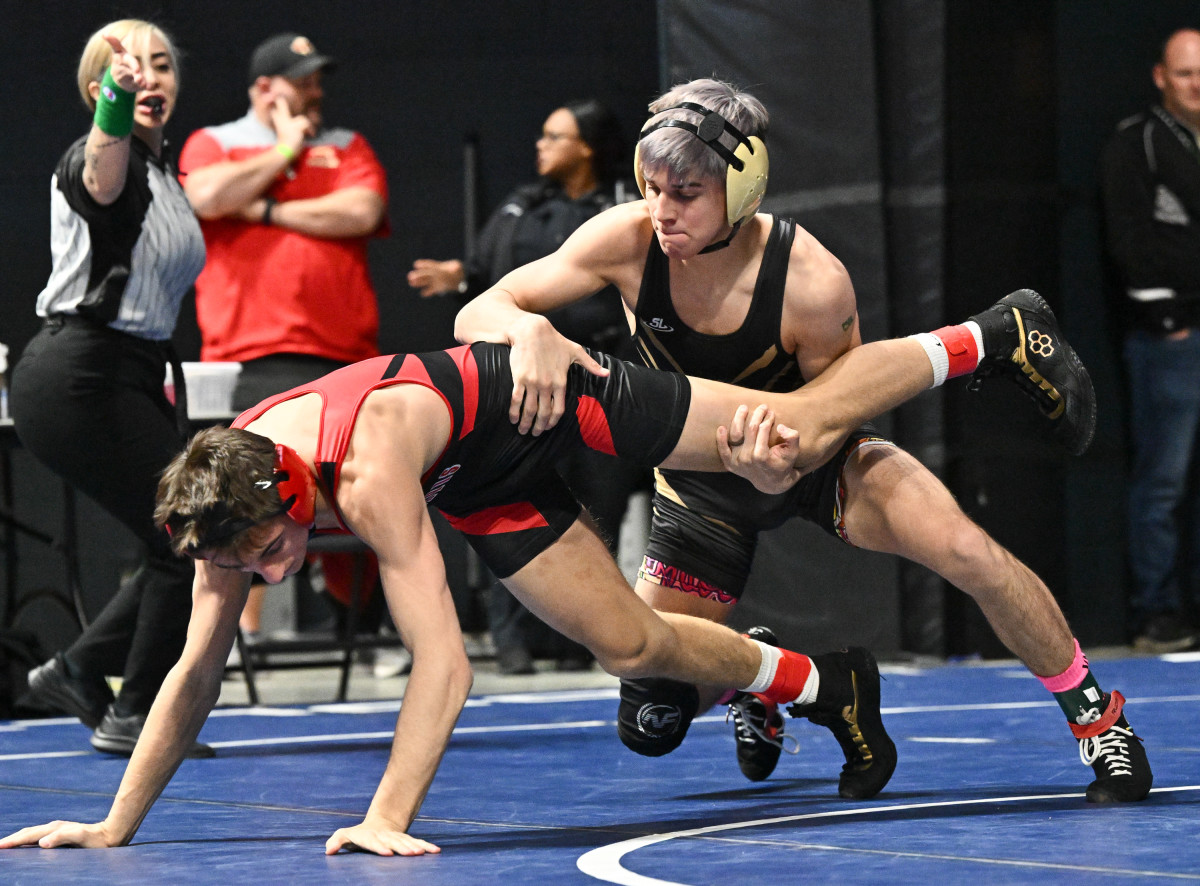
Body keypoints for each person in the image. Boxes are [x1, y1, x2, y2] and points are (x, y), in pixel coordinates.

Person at [0, 292, 1098, 854]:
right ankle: (822, 685)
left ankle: (991, 334)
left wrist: (387, 815)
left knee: (794, 434)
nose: (264, 575)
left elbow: (443, 665)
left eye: (268, 552)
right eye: (249, 565)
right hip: (482, 473)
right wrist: (110, 826)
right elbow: (190, 676)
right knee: (635, 648)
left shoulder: (370, 466)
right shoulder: (232, 498)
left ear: (293, 494)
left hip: (541, 400)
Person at [454, 78, 1153, 803]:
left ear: (743, 186)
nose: (663, 211)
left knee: (969, 552)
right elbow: (480, 309)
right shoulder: (626, 239)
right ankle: (771, 679)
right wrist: (530, 327)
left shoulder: (810, 279)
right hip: (698, 482)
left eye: (686, 192)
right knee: (650, 712)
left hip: (816, 459)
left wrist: (785, 469)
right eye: (652, 186)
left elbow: (840, 406)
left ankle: (1098, 720)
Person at [10, 21, 212, 758]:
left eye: (163, 64)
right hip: (76, 376)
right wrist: (114, 112)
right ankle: (133, 709)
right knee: (192, 535)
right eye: (129, 72)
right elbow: (101, 169)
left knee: (192, 533)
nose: (149, 77)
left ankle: (83, 672)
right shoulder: (102, 158)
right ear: (98, 90)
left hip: (123, 374)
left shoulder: (166, 176)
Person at [408, 99, 645, 674]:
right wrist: (458, 275)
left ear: (586, 146)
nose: (540, 145)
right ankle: (509, 638)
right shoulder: (520, 207)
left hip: (600, 376)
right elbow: (488, 273)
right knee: (513, 500)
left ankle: (581, 641)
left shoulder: (618, 209)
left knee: (596, 510)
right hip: (520, 384)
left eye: (553, 135)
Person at [178, 32, 390, 641]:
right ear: (263, 91)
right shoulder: (215, 142)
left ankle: (363, 628)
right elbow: (206, 195)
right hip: (245, 353)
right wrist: (286, 148)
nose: (315, 91)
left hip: (344, 356)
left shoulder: (346, 144)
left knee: (360, 491)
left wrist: (265, 209)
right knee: (246, 496)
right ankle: (237, 636)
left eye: (317, 79)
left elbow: (360, 212)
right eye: (301, 80)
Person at [1099, 28, 1200, 653]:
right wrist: (1168, 317)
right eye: (1187, 73)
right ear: (1162, 75)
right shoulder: (1137, 143)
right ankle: (1157, 610)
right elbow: (1131, 244)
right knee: (1164, 478)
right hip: (1172, 337)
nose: (1198, 86)